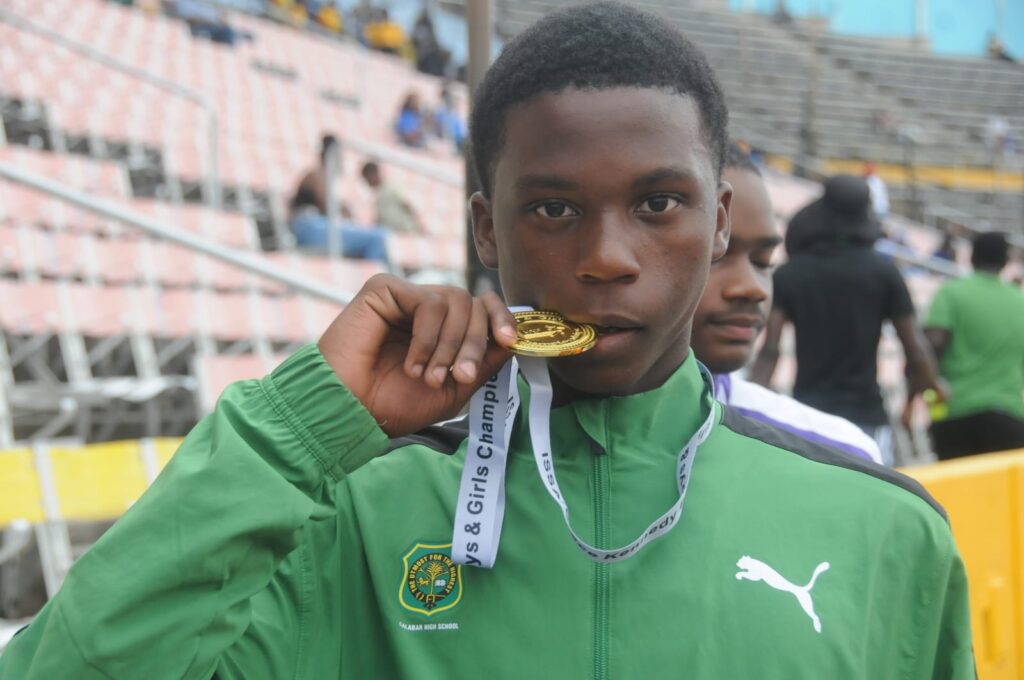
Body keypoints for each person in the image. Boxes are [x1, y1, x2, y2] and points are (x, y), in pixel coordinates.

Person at [0, 4, 973, 678]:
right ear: (483, 229)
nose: (605, 258)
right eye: (551, 208)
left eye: (657, 203)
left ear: (718, 221)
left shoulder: (881, 526)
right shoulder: (354, 516)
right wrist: (291, 433)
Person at [692, 145, 882, 464]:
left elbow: (770, 350)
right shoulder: (882, 271)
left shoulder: (844, 453)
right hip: (867, 409)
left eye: (763, 262)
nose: (753, 289)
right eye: (717, 256)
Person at [751, 174, 943, 465]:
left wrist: (750, 411)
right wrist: (933, 386)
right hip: (867, 420)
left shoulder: (791, 274)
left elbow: (770, 351)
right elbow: (915, 350)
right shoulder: (884, 273)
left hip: (808, 420)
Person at [923, 231, 1024, 459]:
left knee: (954, 494)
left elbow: (933, 343)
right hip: (1010, 415)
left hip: (957, 414)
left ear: (971, 257)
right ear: (1005, 262)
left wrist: (924, 391)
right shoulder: (1020, 302)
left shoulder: (951, 293)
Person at [290, 135, 390, 265]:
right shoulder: (317, 175)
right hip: (309, 228)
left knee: (376, 235)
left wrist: (347, 212)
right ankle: (375, 281)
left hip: (315, 226)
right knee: (377, 237)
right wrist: (346, 214)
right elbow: (328, 207)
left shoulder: (322, 176)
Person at [360, 161, 425, 236]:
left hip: (406, 232)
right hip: (393, 234)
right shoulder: (377, 197)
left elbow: (407, 205)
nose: (367, 183)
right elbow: (380, 219)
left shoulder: (391, 187)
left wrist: (420, 225)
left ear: (373, 175)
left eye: (367, 180)